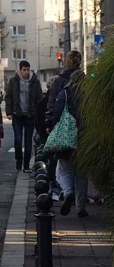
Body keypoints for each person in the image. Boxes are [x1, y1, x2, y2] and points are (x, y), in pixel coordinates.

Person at [53, 70, 87, 217]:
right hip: (84, 138)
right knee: (81, 174)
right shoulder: (88, 96)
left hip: (66, 137)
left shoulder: (64, 94)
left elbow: (56, 115)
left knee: (66, 170)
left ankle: (68, 193)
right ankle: (81, 208)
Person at [5, 61, 42, 173]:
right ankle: (18, 159)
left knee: (28, 141)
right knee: (18, 139)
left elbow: (39, 98)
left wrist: (37, 112)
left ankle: (26, 165)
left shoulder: (35, 81)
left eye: (28, 70)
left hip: (30, 115)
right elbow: (9, 97)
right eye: (24, 70)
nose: (26, 72)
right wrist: (9, 112)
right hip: (17, 115)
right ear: (20, 70)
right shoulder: (13, 81)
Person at [47, 50, 82, 130]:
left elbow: (52, 104)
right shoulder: (84, 80)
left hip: (63, 124)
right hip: (81, 123)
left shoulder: (59, 81)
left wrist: (50, 123)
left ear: (67, 62)